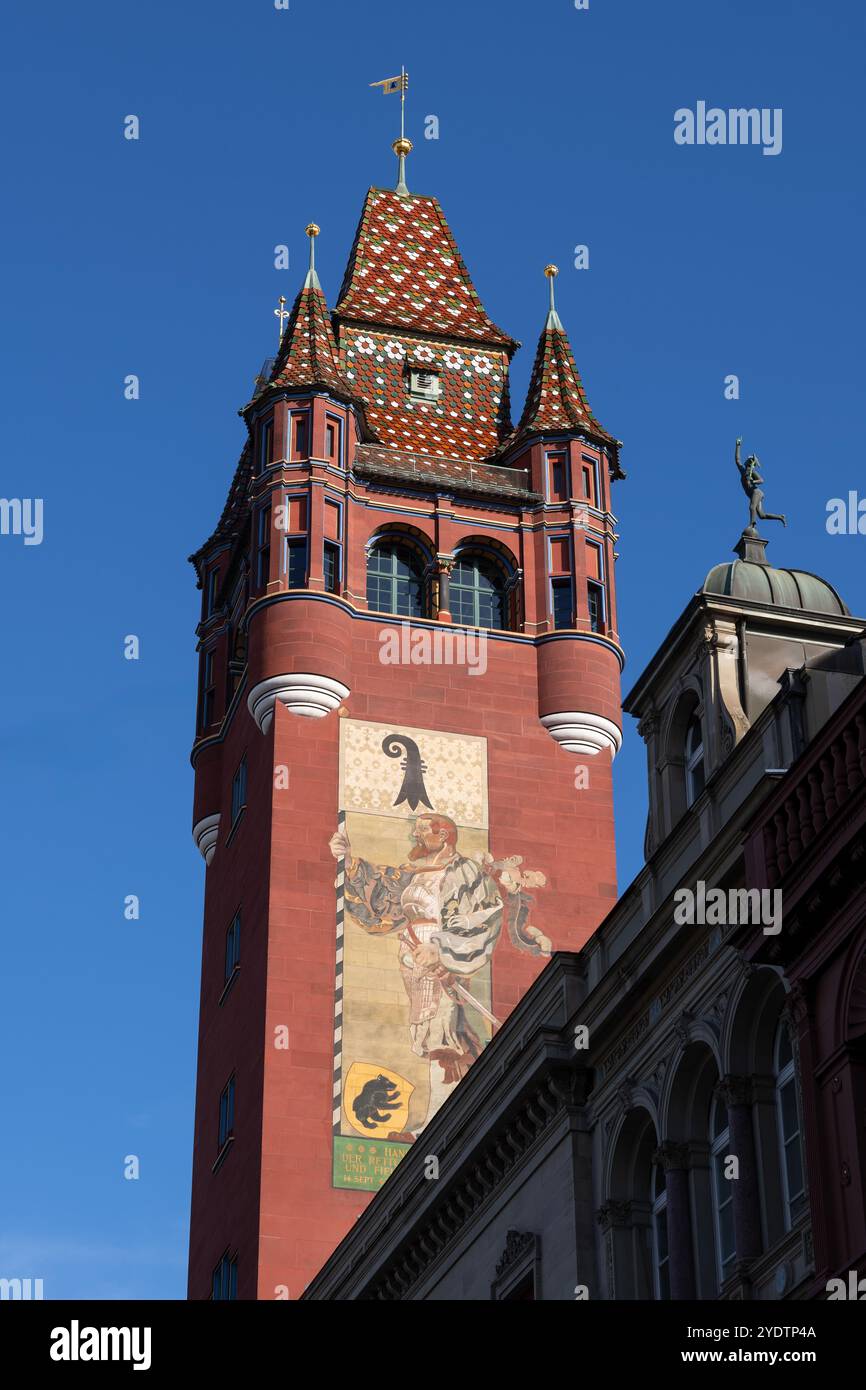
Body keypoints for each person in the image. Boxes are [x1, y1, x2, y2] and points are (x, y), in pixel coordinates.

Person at [329, 813, 549, 1137]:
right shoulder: (416, 872)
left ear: (443, 835)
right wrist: (349, 862)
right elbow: (386, 894)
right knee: (430, 1035)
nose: (414, 839)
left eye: (420, 833)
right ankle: (447, 1121)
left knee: (442, 1036)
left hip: (442, 963)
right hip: (414, 964)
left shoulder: (464, 872)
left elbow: (481, 917)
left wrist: (442, 949)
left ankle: (437, 1125)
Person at [735, 437, 786, 529]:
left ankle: (752, 524)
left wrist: (753, 481)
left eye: (750, 460)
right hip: (753, 494)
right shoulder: (743, 471)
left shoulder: (752, 471)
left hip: (756, 492)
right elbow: (738, 460)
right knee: (762, 515)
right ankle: (780, 517)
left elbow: (761, 480)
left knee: (751, 507)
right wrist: (738, 446)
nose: (747, 461)